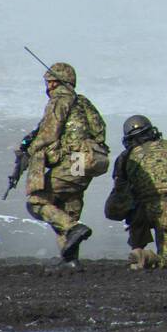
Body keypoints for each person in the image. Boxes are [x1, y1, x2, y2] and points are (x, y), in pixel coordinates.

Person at [24, 62, 110, 269]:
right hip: (83, 161)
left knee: (36, 201)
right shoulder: (83, 102)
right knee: (69, 201)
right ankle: (70, 258)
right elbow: (99, 132)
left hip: (72, 160)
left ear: (53, 82)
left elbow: (48, 134)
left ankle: (73, 229)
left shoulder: (59, 100)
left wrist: (29, 150)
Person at [104, 115, 167, 270]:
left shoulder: (125, 157)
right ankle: (147, 257)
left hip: (139, 210)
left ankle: (137, 251)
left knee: (134, 212)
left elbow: (120, 189)